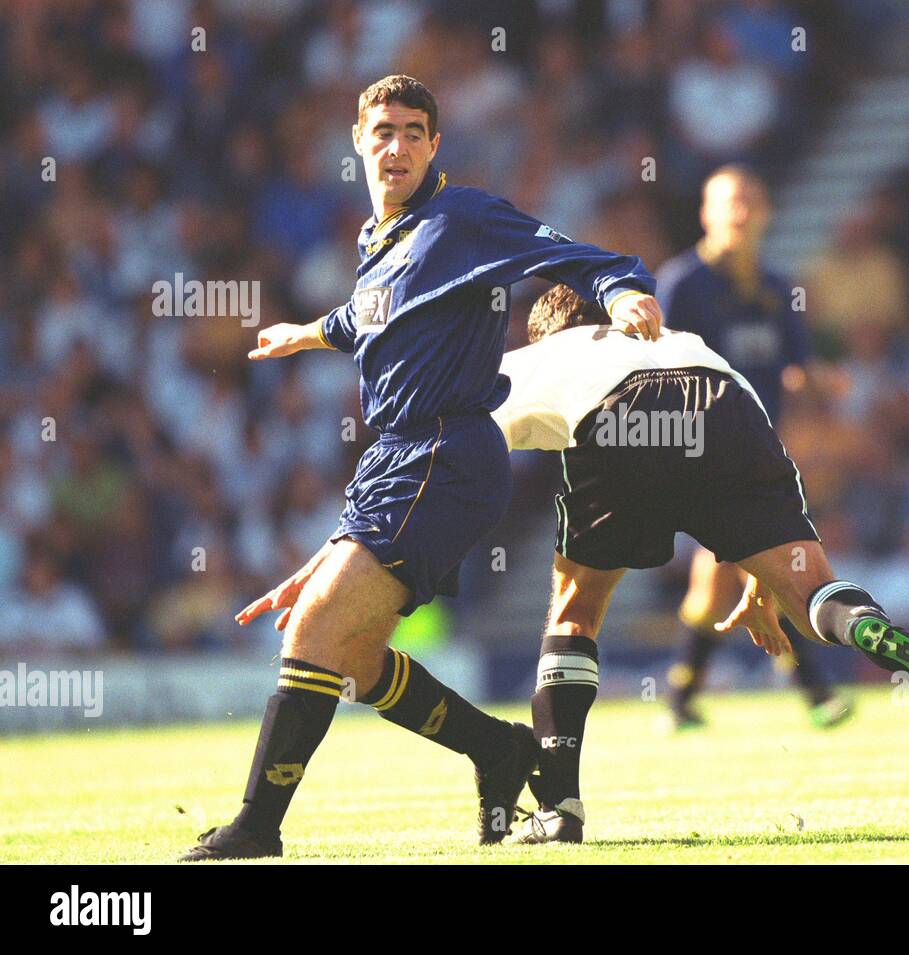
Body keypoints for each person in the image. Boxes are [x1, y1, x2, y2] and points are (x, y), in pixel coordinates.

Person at [181, 75, 662, 860]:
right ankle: (500, 751)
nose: (396, 146)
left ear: (435, 144)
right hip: (393, 457)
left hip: (445, 451)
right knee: (355, 656)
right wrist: (306, 333)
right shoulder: (379, 240)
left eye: (413, 132)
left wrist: (620, 289)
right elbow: (367, 316)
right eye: (383, 132)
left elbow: (571, 255)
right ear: (358, 143)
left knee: (313, 629)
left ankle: (256, 830)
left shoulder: (463, 216)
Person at [492, 284, 909, 844]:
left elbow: (460, 417)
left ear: (548, 331)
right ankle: (866, 625)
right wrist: (762, 581)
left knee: (576, 612)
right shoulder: (681, 339)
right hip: (729, 408)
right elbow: (732, 470)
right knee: (812, 587)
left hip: (622, 413)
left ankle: (561, 810)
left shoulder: (552, 351)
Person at [655, 165, 852, 732]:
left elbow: (796, 367)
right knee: (768, 559)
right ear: (706, 213)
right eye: (729, 201)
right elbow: (655, 364)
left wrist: (820, 381)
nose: (740, 212)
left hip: (761, 451)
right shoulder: (683, 285)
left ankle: (679, 698)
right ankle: (814, 690)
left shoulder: (773, 286)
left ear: (764, 213)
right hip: (703, 450)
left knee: (719, 577)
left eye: (749, 201)